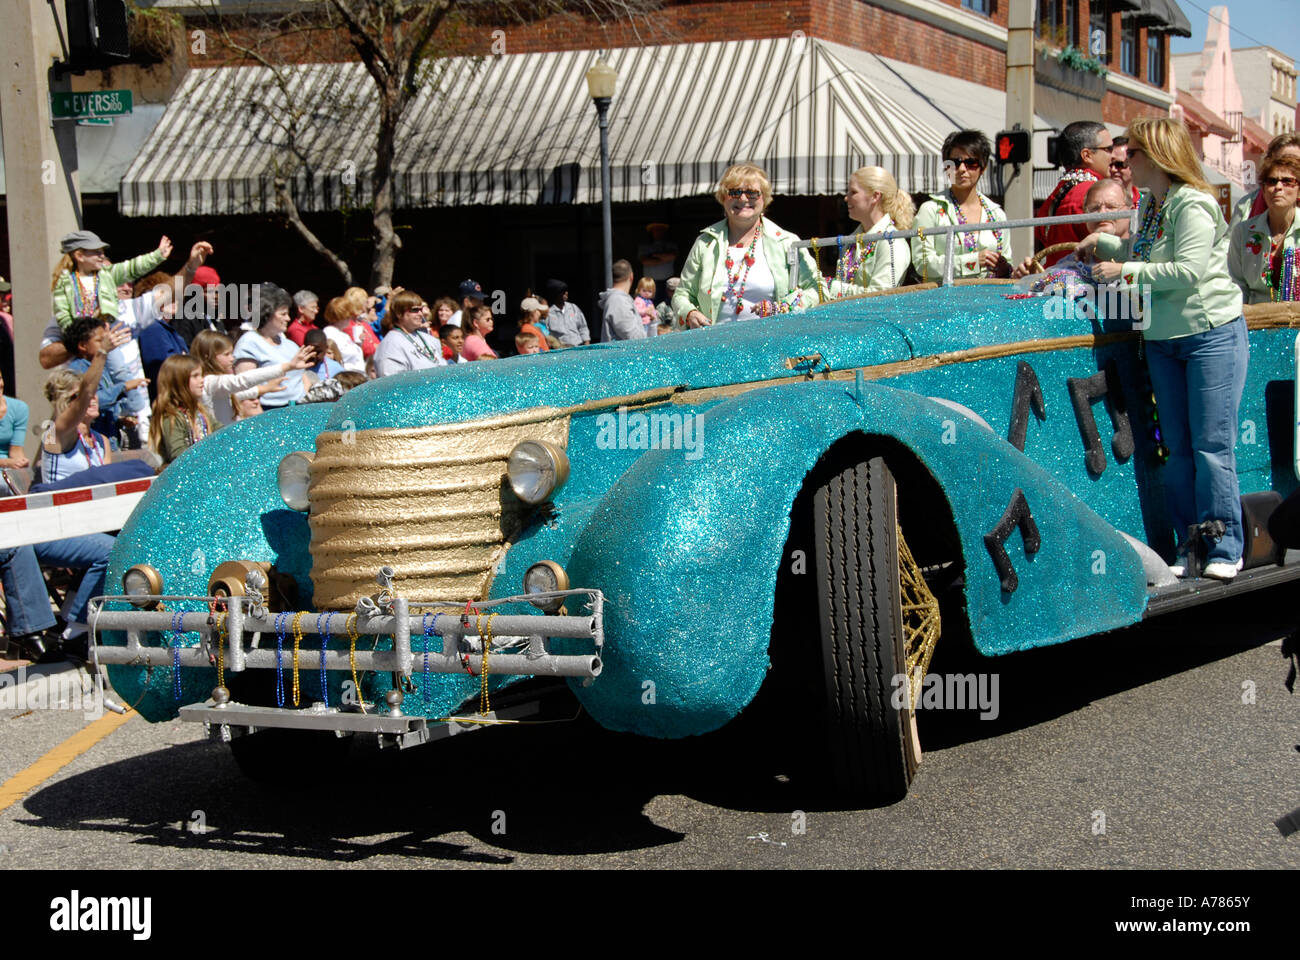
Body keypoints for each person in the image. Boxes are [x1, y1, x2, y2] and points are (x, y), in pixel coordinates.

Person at [1076, 116, 1247, 581]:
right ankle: (1189, 543)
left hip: (1209, 334)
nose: (1121, 161)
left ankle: (1226, 546)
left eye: (1129, 154)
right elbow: (1145, 248)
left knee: (1212, 446)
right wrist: (1107, 240)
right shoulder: (1153, 202)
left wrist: (1125, 270)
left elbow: (1188, 270)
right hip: (1163, 339)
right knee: (1176, 448)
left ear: (1154, 156)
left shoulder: (1192, 203)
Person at [673, 164, 820, 326]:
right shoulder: (705, 243)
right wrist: (689, 313)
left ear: (764, 199)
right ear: (723, 198)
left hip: (772, 344)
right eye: (734, 192)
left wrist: (785, 307)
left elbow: (814, 290)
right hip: (716, 345)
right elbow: (682, 294)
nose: (743, 199)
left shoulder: (787, 243)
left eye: (752, 193)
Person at [912, 131, 1014, 283]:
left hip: (990, 299)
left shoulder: (997, 214)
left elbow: (1007, 263)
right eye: (954, 163)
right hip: (944, 301)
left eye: (971, 163)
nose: (961, 169)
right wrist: (973, 261)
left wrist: (1007, 268)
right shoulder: (930, 210)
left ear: (983, 167)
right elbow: (923, 265)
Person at [41, 326, 128, 483]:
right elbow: (87, 391)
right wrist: (102, 352)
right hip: (61, 505)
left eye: (96, 393)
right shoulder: (57, 433)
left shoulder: (102, 441)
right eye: (77, 397)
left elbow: (106, 482)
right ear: (64, 402)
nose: (92, 398)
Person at [51, 230, 169, 332]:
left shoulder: (107, 275)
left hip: (107, 333)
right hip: (79, 339)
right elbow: (62, 314)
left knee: (117, 358)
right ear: (80, 256)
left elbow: (132, 267)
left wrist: (157, 256)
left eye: (102, 251)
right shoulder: (64, 282)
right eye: (96, 251)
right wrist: (75, 337)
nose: (102, 255)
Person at [1012, 178, 1132, 277]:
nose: (1101, 213)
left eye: (1111, 206)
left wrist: (1123, 271)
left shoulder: (1142, 257)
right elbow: (1047, 289)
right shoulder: (1071, 264)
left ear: (1130, 211)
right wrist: (1031, 277)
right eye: (1094, 208)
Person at [192, 329, 313, 426]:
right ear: (208, 356)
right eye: (226, 354)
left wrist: (265, 389)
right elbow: (240, 381)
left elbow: (237, 394)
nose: (232, 358)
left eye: (232, 353)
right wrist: (287, 366)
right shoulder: (209, 382)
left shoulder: (217, 386)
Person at [1034, 122, 1115, 265]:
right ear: (1087, 155)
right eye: (1109, 149)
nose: (1113, 155)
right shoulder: (1096, 195)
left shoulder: (1057, 193)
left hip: (1053, 279)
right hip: (1087, 281)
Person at [829, 166, 914, 296]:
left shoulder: (893, 242)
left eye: (853, 192)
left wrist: (832, 287)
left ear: (875, 196)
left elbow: (880, 295)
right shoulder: (852, 240)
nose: (846, 198)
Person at [1228, 154, 1300, 304]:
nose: (1278, 187)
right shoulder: (1243, 232)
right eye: (1272, 181)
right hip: (1254, 320)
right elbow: (1236, 286)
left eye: (1287, 181)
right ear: (1263, 189)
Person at [233, 283, 309, 408]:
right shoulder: (249, 343)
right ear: (267, 314)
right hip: (268, 413)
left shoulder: (290, 345)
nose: (288, 318)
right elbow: (244, 385)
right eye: (283, 314)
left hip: (299, 410)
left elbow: (303, 377)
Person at [149, 355, 217, 469]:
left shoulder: (200, 412)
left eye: (201, 375)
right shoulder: (172, 416)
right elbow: (178, 454)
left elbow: (222, 432)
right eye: (195, 376)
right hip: (187, 475)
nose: (202, 380)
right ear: (179, 382)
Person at [1230, 133, 1300, 229]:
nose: (1290, 167)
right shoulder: (1248, 205)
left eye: (1296, 163)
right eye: (1282, 162)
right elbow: (1230, 241)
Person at [373, 290, 447, 376]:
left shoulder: (429, 339)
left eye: (421, 309)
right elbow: (390, 383)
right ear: (399, 313)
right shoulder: (390, 344)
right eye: (415, 310)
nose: (420, 314)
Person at [319, 296, 366, 372]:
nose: (350, 318)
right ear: (340, 316)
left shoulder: (344, 334)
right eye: (348, 316)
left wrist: (359, 343)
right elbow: (338, 356)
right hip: (346, 375)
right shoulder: (329, 333)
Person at [0, 371, 31, 490]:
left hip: (7, 469)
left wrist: (20, 463)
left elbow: (16, 451)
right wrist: (7, 463)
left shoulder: (19, 408)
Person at [600, 260, 644, 340]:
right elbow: (634, 338)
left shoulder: (619, 300)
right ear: (631, 276)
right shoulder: (618, 301)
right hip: (624, 352)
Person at [638, 222, 678, 302]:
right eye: (656, 230)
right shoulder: (645, 246)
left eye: (660, 230)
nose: (658, 232)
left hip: (668, 282)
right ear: (651, 232)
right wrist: (664, 258)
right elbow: (645, 261)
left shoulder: (670, 245)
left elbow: (672, 256)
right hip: (650, 282)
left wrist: (654, 257)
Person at [542, 279, 589, 346]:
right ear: (556, 294)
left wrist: (586, 343)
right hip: (562, 349)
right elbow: (546, 334)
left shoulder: (573, 307)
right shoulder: (548, 313)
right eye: (563, 292)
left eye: (566, 291)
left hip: (579, 346)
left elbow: (583, 327)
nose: (566, 293)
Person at [1110, 136, 1140, 209]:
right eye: (1110, 164)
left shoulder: (1144, 201)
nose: (1113, 169)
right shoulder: (1098, 196)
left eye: (1119, 164)